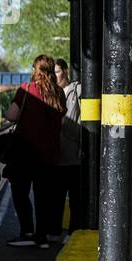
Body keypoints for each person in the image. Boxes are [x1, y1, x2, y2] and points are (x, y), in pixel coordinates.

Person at [3, 54, 65, 248]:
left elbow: (12, 116)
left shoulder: (27, 89)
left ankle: (27, 232)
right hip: (50, 154)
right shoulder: (59, 93)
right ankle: (42, 237)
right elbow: (62, 121)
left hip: (25, 153)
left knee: (20, 192)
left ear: (36, 70)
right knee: (44, 196)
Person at [50, 58, 82, 238]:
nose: (55, 76)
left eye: (57, 72)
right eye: (52, 73)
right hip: (56, 152)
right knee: (56, 196)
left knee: (75, 197)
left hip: (73, 151)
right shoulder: (52, 93)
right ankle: (54, 230)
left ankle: (73, 232)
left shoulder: (77, 90)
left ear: (66, 71)